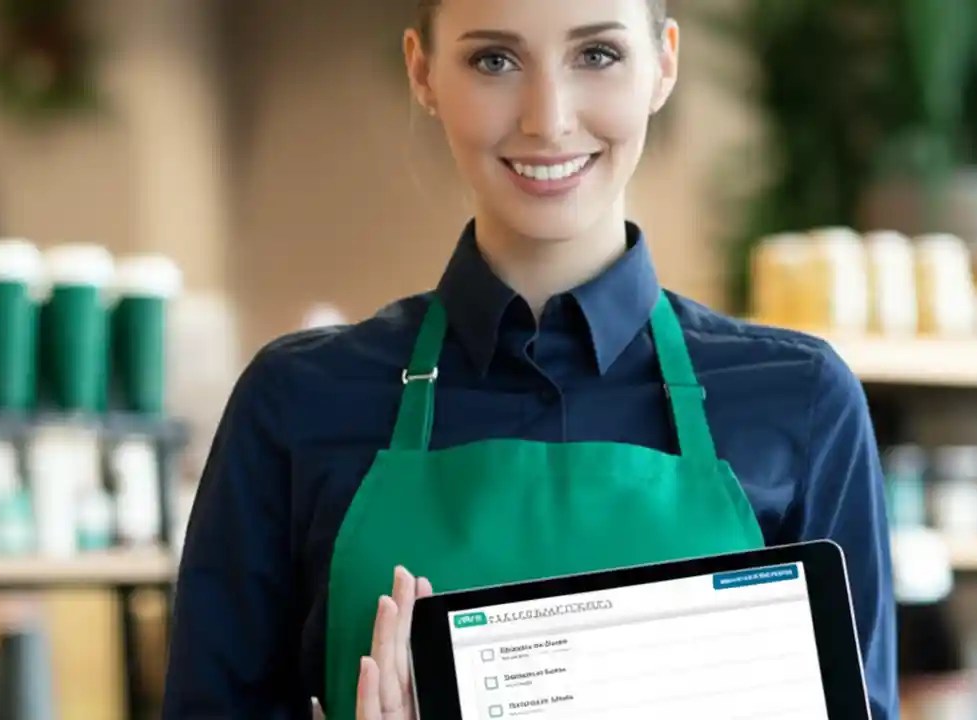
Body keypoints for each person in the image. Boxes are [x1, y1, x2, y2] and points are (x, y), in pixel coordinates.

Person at [161, 1, 898, 718]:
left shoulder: (802, 400)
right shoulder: (296, 402)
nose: (548, 118)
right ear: (423, 73)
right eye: (494, 60)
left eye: (597, 54)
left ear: (663, 63)